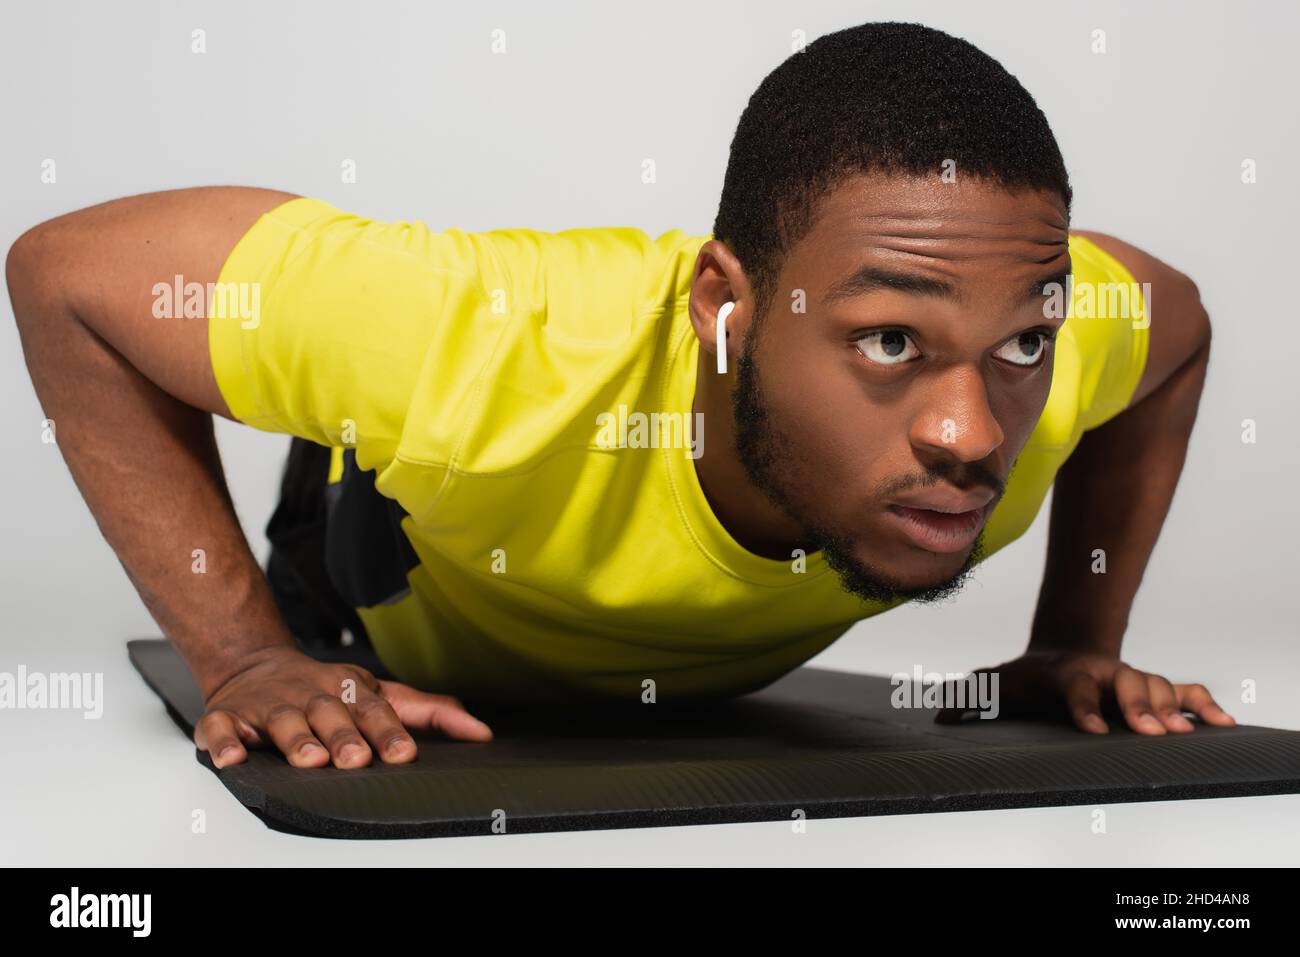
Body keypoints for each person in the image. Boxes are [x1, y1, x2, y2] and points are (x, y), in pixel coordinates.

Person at [6, 21, 1235, 771]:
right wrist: (240, 658)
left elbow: (1174, 329)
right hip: (386, 561)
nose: (971, 437)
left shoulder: (1059, 350)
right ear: (724, 305)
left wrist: (1077, 640)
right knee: (357, 482)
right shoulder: (478, 342)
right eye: (889, 342)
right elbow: (66, 276)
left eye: (1019, 347)